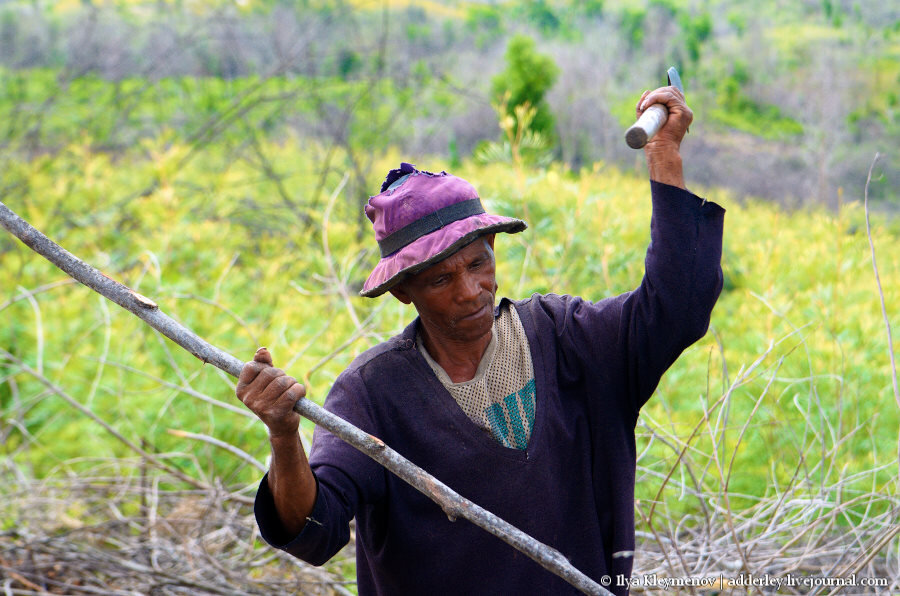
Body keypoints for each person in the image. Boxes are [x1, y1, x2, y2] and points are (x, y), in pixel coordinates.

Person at [237, 85, 724, 595]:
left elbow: (680, 304)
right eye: (441, 280)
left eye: (478, 263)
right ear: (403, 291)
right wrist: (283, 436)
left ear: (493, 246)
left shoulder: (568, 341)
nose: (471, 292)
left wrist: (663, 153)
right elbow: (314, 531)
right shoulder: (373, 395)